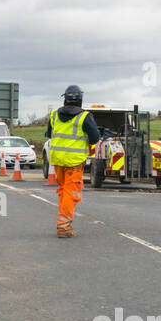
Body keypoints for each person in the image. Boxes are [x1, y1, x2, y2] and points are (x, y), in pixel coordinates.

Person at [45, 85, 100, 237]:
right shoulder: (84, 116)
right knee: (71, 193)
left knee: (64, 191)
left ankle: (64, 222)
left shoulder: (54, 115)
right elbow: (95, 138)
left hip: (57, 160)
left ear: (65, 99)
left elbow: (50, 134)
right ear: (80, 100)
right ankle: (63, 226)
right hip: (74, 162)